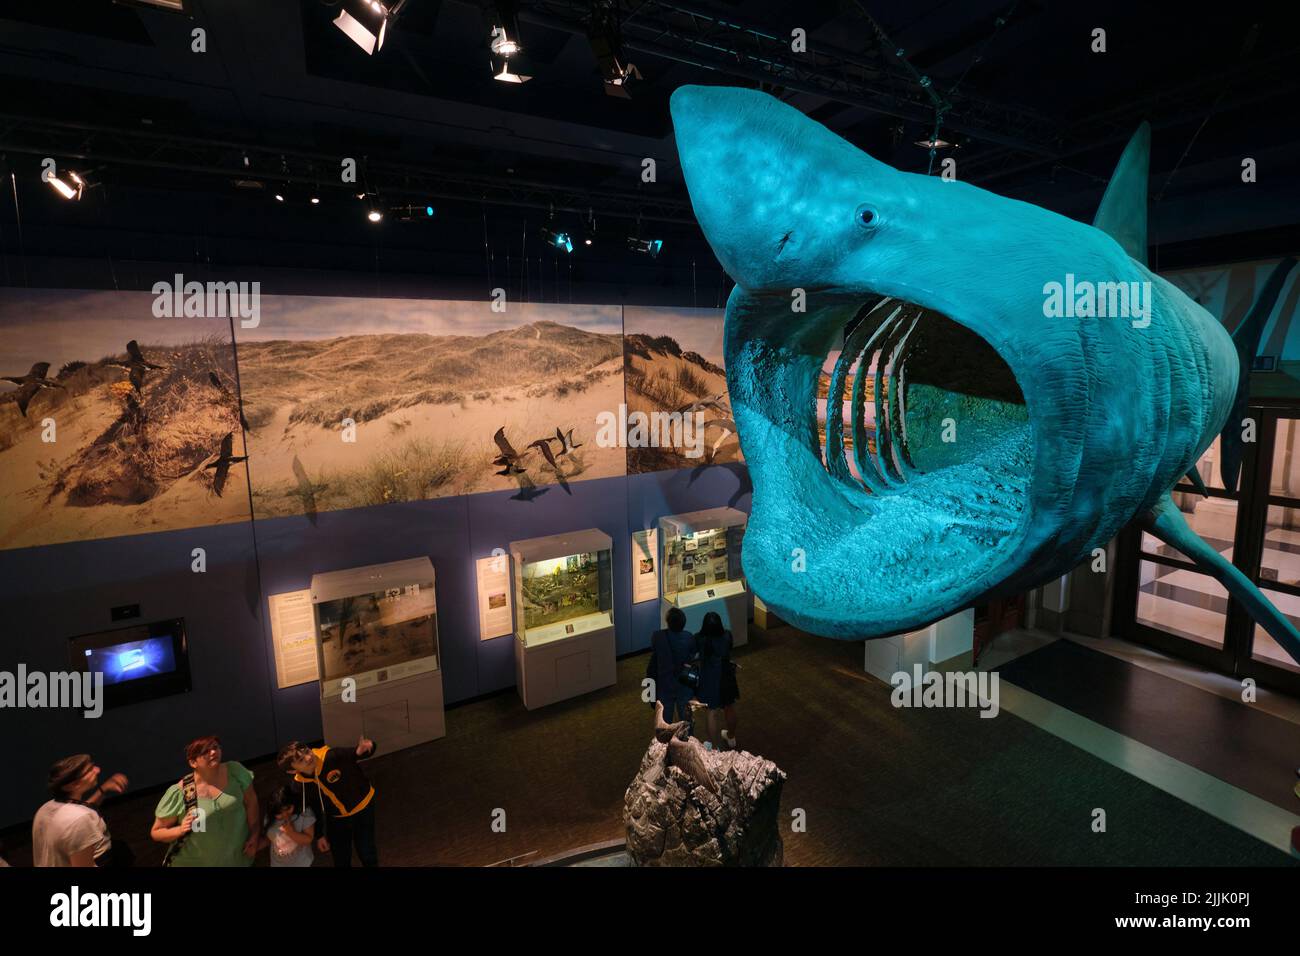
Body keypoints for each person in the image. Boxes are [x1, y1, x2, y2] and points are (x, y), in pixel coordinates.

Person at [151, 735, 258, 867]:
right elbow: (156, 832)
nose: (213, 752)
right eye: (205, 752)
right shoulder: (181, 792)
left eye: (215, 747)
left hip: (237, 860)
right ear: (193, 762)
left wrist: (254, 833)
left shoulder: (236, 771)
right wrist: (180, 830)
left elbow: (251, 802)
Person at [277, 736, 378, 867]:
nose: (308, 757)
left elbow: (356, 754)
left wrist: (366, 748)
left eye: (307, 751)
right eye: (301, 760)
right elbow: (314, 808)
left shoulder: (331, 756)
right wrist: (319, 835)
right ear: (292, 770)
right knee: (340, 855)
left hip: (363, 808)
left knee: (366, 850)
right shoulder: (300, 786)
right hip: (336, 817)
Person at [32, 754, 131, 867]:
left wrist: (102, 790)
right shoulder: (80, 819)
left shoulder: (46, 808)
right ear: (71, 785)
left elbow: (79, 809)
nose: (97, 770)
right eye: (89, 770)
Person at [695, 611, 739, 750]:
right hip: (726, 677)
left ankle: (714, 748)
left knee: (711, 712)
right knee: (729, 707)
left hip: (709, 678)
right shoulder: (727, 635)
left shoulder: (699, 638)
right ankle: (731, 737)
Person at [648, 607, 699, 726]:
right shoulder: (689, 637)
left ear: (668, 622)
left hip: (665, 683)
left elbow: (655, 651)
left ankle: (666, 743)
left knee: (665, 722)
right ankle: (686, 742)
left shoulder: (658, 637)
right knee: (686, 720)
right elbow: (693, 654)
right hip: (684, 682)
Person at [264, 784, 316, 868]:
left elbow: (308, 839)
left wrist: (290, 832)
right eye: (279, 813)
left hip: (301, 863)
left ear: (293, 802)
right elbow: (270, 838)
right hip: (277, 864)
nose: (285, 815)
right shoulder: (269, 818)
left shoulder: (304, 814)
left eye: (288, 809)